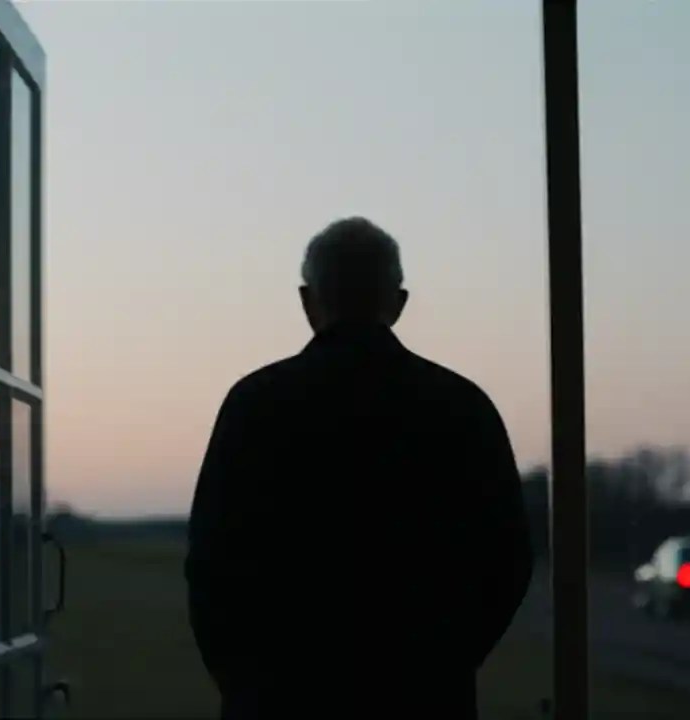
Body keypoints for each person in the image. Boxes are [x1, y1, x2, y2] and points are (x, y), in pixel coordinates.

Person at [185, 217, 534, 719]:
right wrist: (443, 663)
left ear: (309, 301)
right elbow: (506, 560)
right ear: (398, 302)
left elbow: (212, 562)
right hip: (423, 697)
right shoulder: (461, 406)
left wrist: (247, 682)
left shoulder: (255, 404)